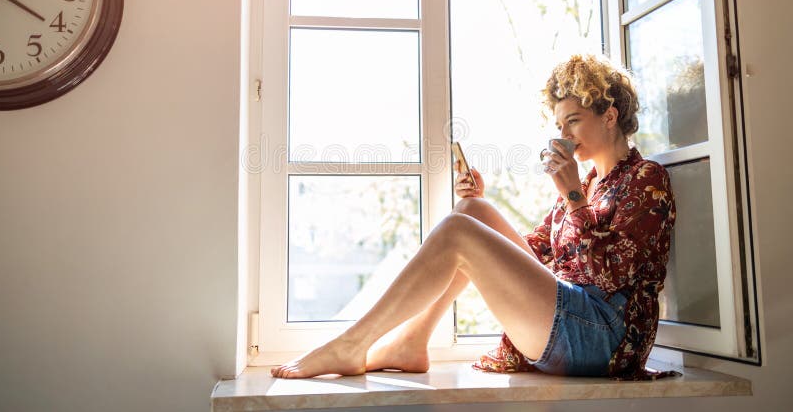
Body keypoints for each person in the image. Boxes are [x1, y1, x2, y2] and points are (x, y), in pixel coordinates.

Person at [271, 54, 676, 380]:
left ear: (609, 116)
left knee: (462, 229)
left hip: (603, 338)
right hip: (570, 318)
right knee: (471, 212)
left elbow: (610, 275)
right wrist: (483, 209)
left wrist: (571, 195)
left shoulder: (647, 179)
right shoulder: (587, 184)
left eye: (573, 121)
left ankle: (352, 344)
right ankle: (411, 341)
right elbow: (534, 254)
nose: (563, 136)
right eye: (558, 125)